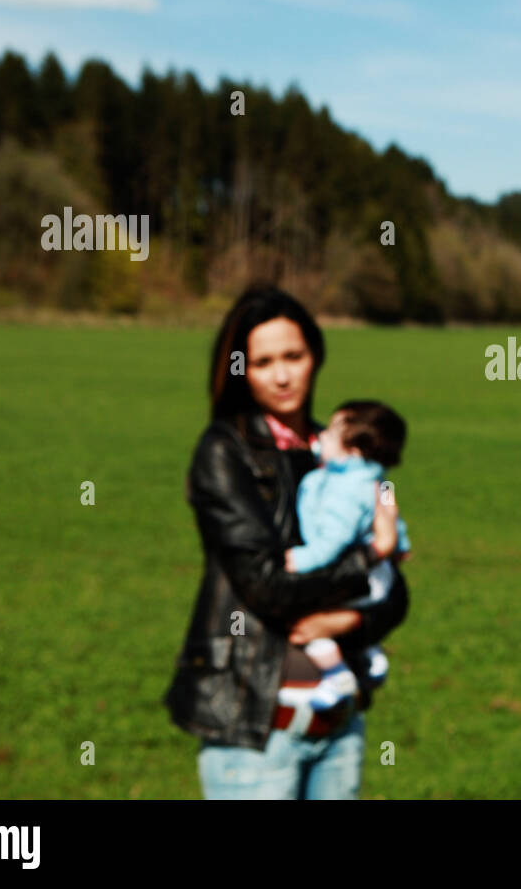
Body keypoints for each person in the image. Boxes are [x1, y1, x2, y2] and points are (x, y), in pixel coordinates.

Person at [163, 284, 409, 799]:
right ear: (240, 371)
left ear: (315, 355)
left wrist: (352, 619)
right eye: (262, 362)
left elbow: (396, 591)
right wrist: (370, 556)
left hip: (337, 729)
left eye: (293, 356)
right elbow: (268, 586)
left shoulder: (344, 453)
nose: (281, 375)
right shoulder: (225, 453)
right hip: (256, 735)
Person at [284, 400, 411, 714]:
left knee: (306, 625)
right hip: (379, 575)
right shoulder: (371, 480)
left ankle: (336, 674)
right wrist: (401, 544)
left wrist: (299, 559)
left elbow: (332, 542)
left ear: (353, 450)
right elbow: (394, 520)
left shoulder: (345, 489)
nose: (322, 435)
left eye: (331, 430)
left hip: (363, 578)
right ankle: (370, 653)